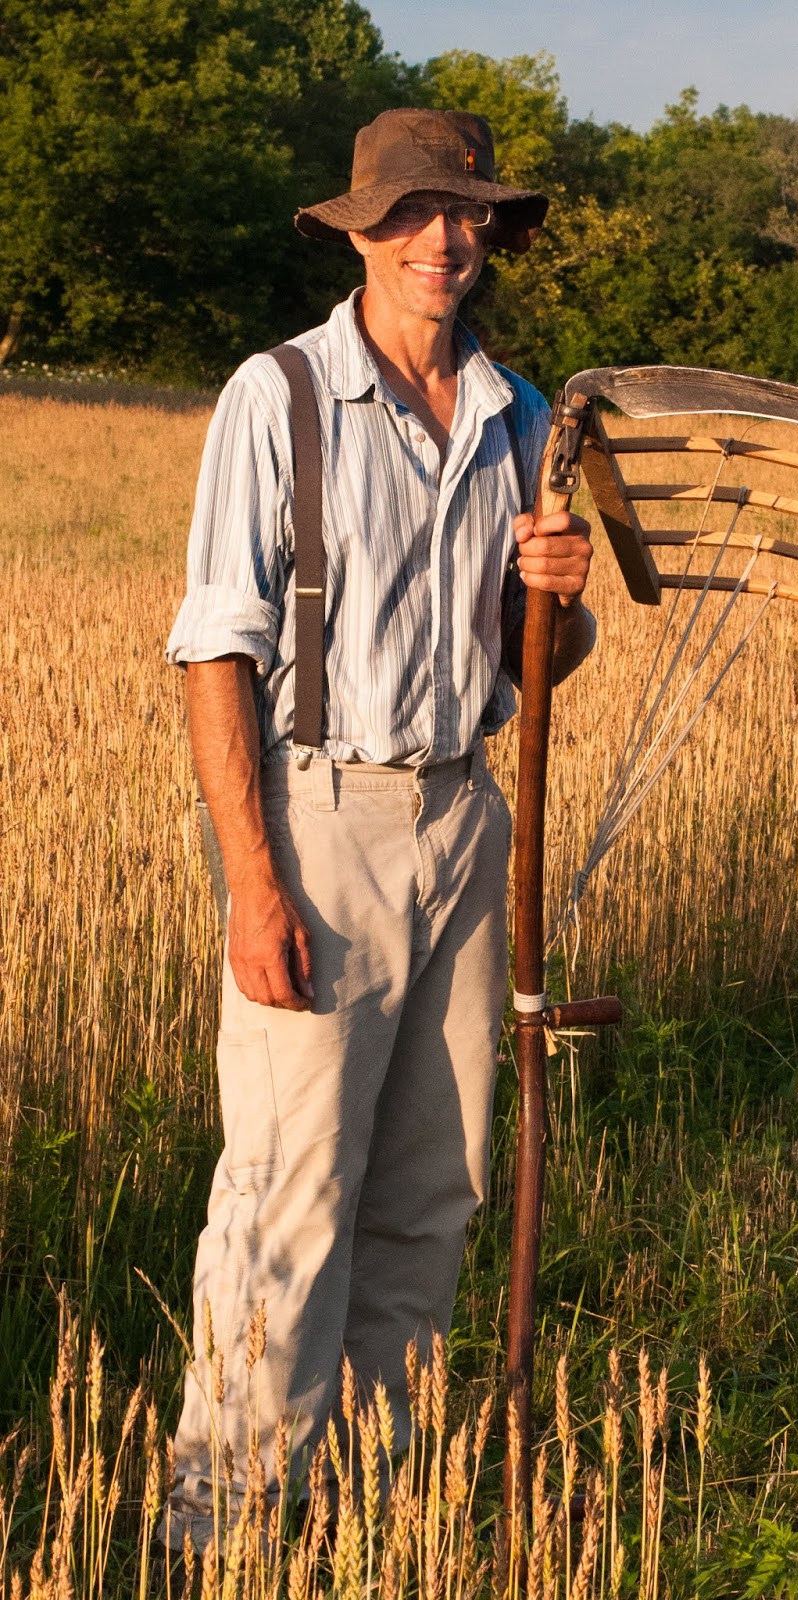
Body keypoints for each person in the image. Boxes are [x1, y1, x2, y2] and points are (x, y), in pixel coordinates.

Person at [162, 107, 595, 1547]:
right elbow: (215, 649)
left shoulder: (522, 418)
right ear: (362, 232)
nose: (444, 239)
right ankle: (221, 1531)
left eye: (466, 214)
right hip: (322, 818)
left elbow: (532, 665)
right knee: (291, 1195)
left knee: (433, 1191)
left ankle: (363, 1510)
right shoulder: (277, 396)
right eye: (413, 214)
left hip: (468, 819)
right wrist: (251, 883)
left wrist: (559, 599)